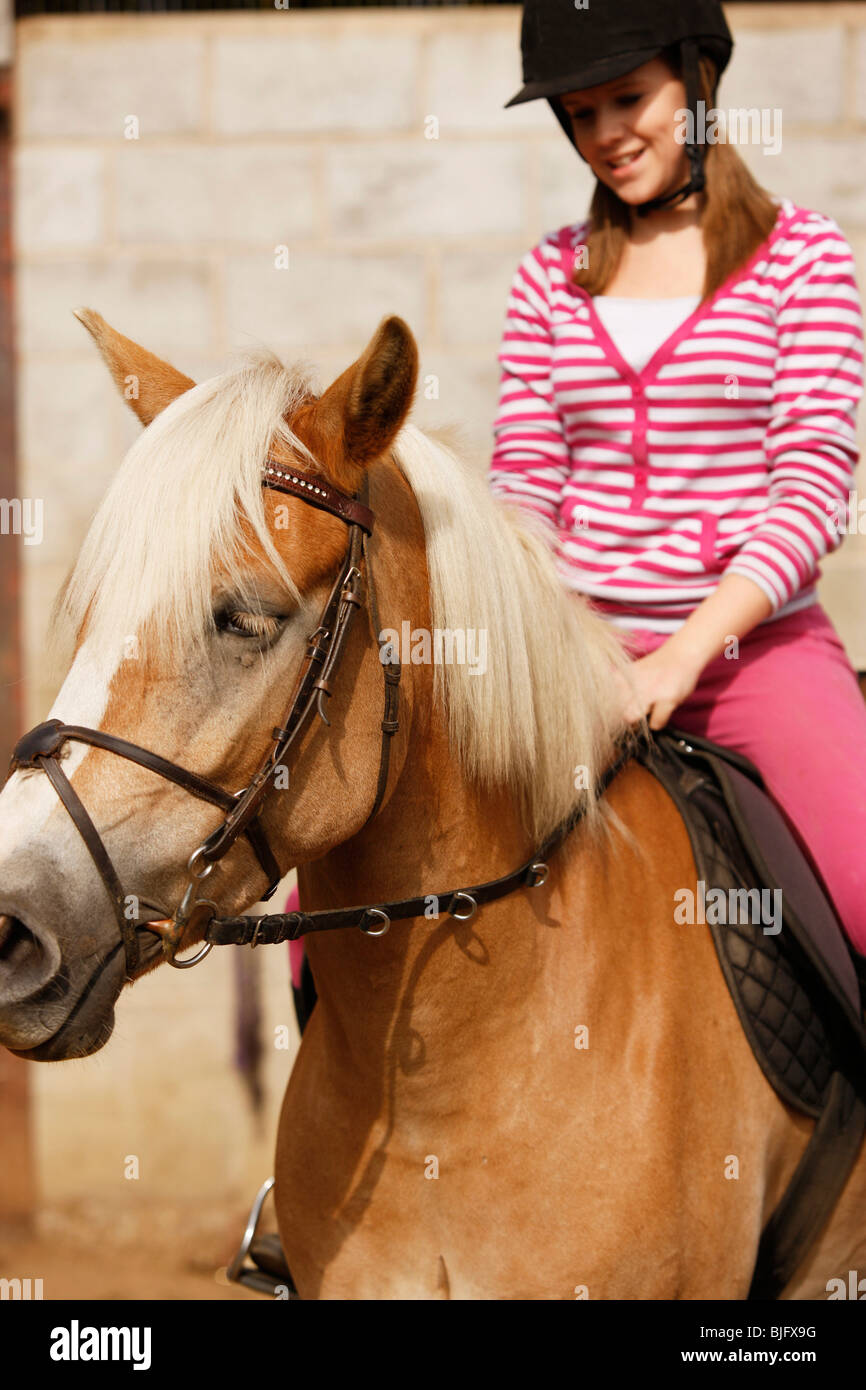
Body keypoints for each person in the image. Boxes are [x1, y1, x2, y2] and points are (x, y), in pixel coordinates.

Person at [490, 0, 866, 972]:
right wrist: (554, 646)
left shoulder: (804, 261)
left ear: (696, 82)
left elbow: (811, 488)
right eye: (579, 114)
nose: (606, 136)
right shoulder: (546, 278)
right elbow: (523, 486)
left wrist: (680, 657)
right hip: (577, 661)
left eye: (628, 98)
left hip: (752, 657)